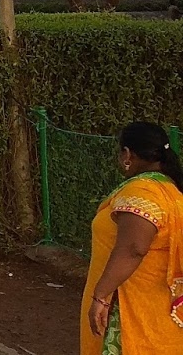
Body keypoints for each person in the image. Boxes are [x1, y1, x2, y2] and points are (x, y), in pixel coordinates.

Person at [81, 121, 183, 354]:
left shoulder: (142, 191)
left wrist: (101, 296)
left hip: (131, 308)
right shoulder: (172, 191)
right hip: (161, 307)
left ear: (127, 154)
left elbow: (134, 247)